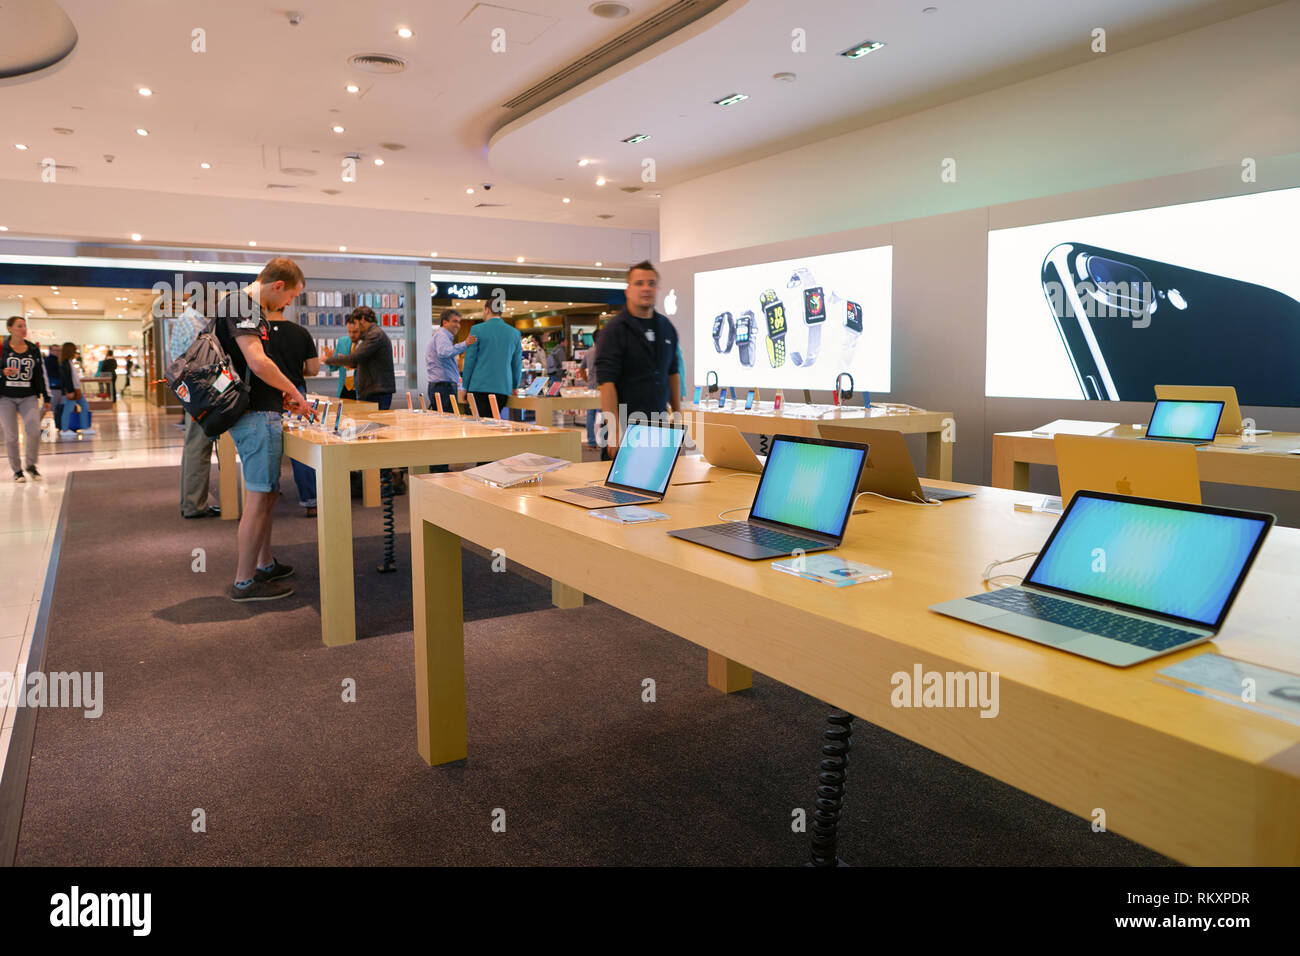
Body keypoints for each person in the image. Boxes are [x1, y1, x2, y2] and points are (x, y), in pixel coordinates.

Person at [214, 256, 313, 603]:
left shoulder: (243, 304)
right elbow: (257, 362)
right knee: (258, 497)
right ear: (278, 285)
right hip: (254, 415)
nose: (289, 304)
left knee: (266, 494)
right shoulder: (243, 304)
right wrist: (293, 391)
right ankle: (244, 582)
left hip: (257, 411)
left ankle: (265, 563)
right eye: (291, 297)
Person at [594, 260, 681, 458]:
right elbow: (607, 383)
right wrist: (614, 430)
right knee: (621, 487)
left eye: (651, 283)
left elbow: (672, 373)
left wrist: (677, 414)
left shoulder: (666, 327)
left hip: (659, 427)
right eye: (639, 283)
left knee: (657, 484)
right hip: (624, 428)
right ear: (628, 290)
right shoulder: (614, 331)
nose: (646, 289)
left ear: (657, 288)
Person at [169, 291, 221, 518]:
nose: (218, 305)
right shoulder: (193, 323)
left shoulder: (190, 320)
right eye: (216, 301)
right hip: (200, 394)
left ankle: (191, 502)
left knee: (195, 446)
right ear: (204, 301)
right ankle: (194, 505)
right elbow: (201, 363)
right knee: (198, 448)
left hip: (193, 393)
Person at [268, 308, 320, 516]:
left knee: (267, 442)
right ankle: (311, 501)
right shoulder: (301, 332)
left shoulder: (257, 333)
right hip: (296, 393)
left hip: (266, 392)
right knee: (302, 449)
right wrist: (296, 372)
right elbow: (314, 369)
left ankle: (267, 492)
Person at [1, 317, 51, 482]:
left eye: (24, 326)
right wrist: (2, 372)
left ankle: (31, 465)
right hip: (6, 397)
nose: (23, 329)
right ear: (10, 328)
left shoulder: (32, 349)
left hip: (28, 396)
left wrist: (46, 395)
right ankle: (17, 470)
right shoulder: (2, 348)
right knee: (11, 436)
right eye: (19, 326)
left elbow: (40, 374)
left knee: (34, 430)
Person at [321, 306, 394, 409]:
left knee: (374, 423)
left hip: (376, 392)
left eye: (356, 324)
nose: (356, 328)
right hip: (372, 390)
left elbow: (356, 358)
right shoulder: (373, 334)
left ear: (363, 320)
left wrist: (327, 360)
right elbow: (359, 361)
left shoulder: (375, 335)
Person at [461, 302, 522, 419]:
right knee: (494, 423)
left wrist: (465, 386)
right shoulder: (514, 333)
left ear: (487, 310)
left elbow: (470, 360)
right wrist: (515, 386)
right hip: (502, 388)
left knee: (479, 427)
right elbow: (516, 363)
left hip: (479, 387)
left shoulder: (476, 330)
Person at [426, 308, 476, 414]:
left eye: (459, 322)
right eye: (455, 321)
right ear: (445, 322)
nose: (458, 325)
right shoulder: (442, 335)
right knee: (446, 424)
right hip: (443, 387)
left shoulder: (441, 336)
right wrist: (465, 344)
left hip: (441, 386)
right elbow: (444, 352)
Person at [58, 342, 90, 437]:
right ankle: (64, 429)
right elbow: (66, 379)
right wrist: (69, 391)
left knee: (84, 406)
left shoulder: (69, 362)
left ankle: (85, 427)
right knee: (68, 409)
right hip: (71, 390)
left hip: (76, 390)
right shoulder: (65, 364)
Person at [582, 337, 600, 447]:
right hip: (602, 387)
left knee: (590, 415)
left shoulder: (588, 352)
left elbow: (581, 368)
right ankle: (605, 441)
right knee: (606, 414)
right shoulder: (605, 350)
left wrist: (587, 380)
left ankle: (591, 441)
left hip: (591, 386)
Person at [44, 344, 63, 431]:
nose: (58, 352)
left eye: (59, 350)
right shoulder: (49, 360)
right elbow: (53, 374)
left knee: (57, 408)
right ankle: (36, 425)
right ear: (51, 351)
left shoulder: (58, 360)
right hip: (53, 387)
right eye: (56, 350)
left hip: (58, 387)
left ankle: (59, 425)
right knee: (48, 407)